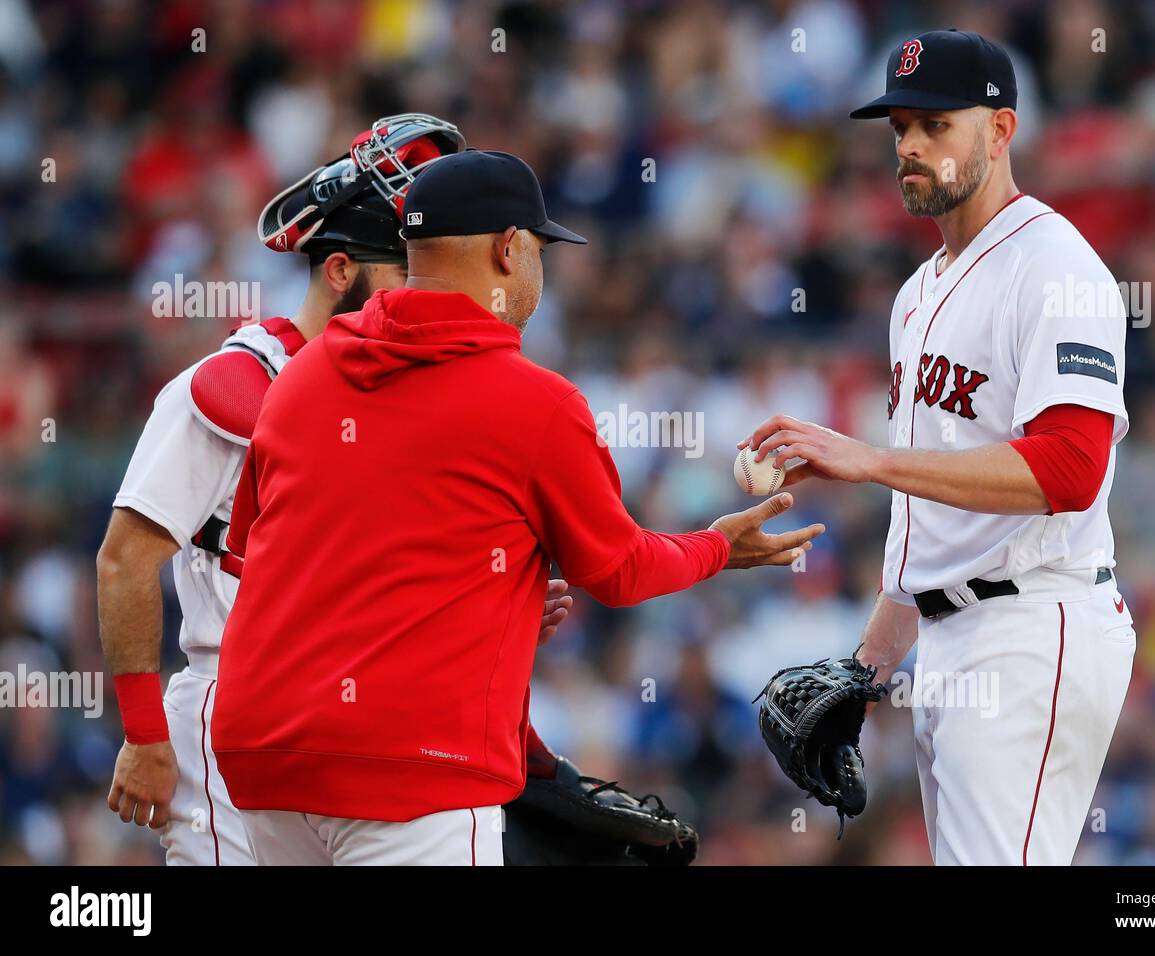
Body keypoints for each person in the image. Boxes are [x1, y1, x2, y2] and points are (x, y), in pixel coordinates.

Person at [211, 149, 825, 866]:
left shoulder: (303, 375)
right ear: (509, 249)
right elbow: (619, 570)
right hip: (411, 770)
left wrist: (473, 609)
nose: (540, 267)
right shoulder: (535, 401)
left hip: (263, 759)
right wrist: (718, 546)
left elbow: (258, 552)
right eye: (538, 248)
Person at [96, 114, 533, 864]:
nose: (426, 291)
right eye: (404, 271)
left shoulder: (400, 393)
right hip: (231, 714)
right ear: (340, 272)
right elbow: (124, 560)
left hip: (350, 728)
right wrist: (141, 734)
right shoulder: (239, 382)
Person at [743, 30, 1134, 865]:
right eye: (899, 130)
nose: (912, 147)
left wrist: (872, 461)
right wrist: (869, 666)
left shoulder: (1055, 268)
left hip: (1034, 622)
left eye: (936, 124)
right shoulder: (917, 294)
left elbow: (1070, 467)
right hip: (951, 636)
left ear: (1000, 130)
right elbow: (931, 518)